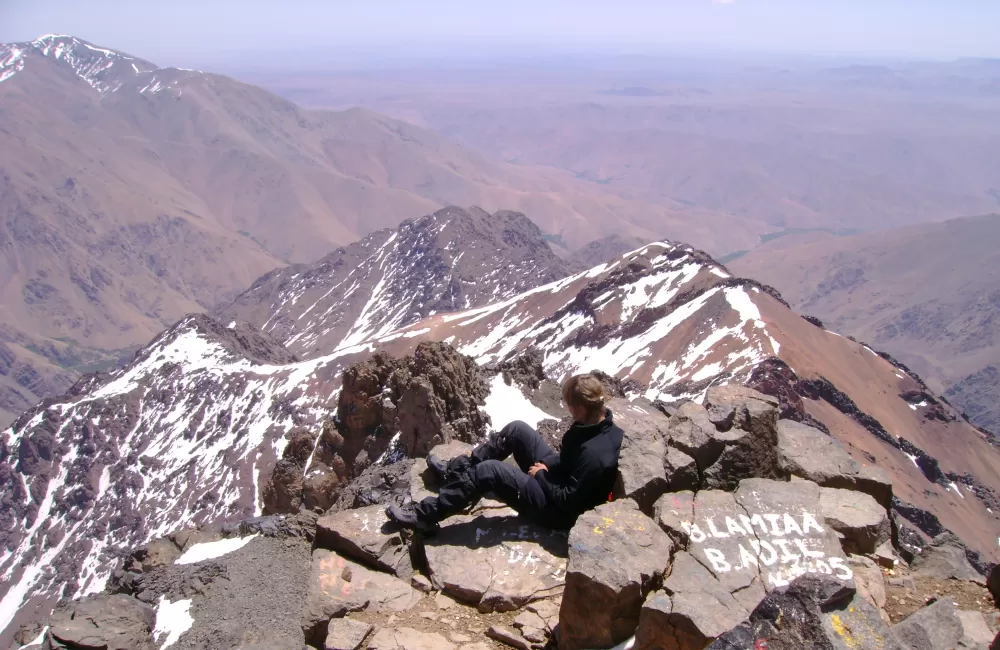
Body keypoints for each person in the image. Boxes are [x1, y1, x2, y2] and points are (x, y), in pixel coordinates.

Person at [386, 373, 624, 532]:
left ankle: (425, 516)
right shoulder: (596, 423)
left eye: (569, 405)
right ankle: (454, 472)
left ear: (581, 407)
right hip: (560, 478)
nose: (568, 409)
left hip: (558, 512)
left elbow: (570, 502)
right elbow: (569, 461)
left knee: (490, 472)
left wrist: (540, 475)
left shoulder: (595, 455)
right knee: (517, 430)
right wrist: (548, 466)